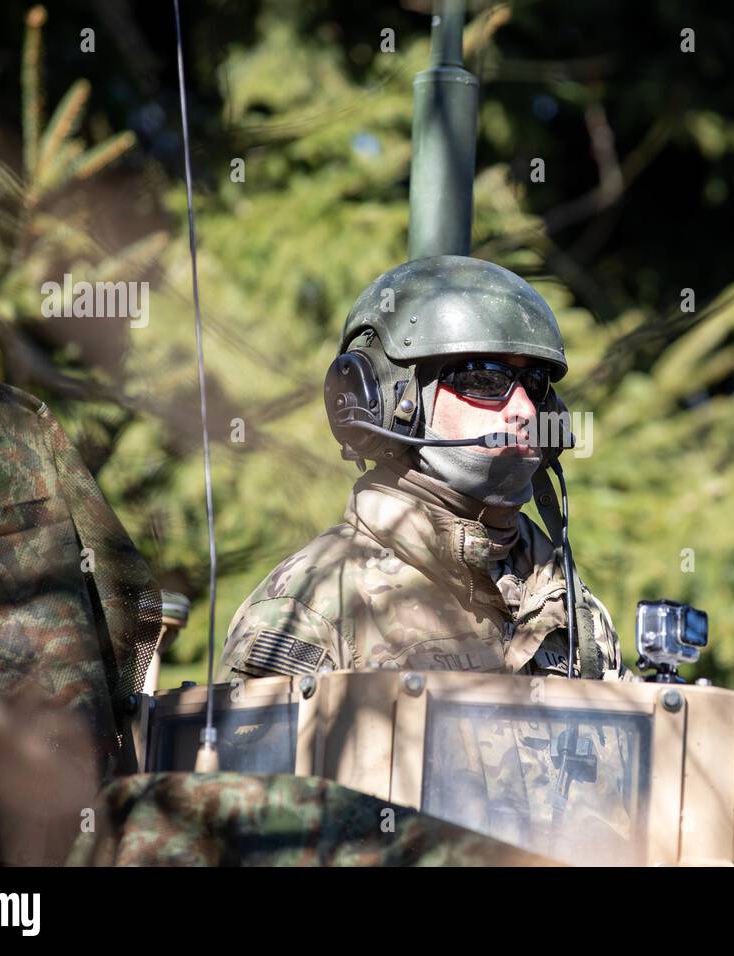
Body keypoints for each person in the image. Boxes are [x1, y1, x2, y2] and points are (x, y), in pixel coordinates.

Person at [221, 255, 624, 681]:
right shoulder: (311, 606)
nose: (524, 409)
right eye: (486, 380)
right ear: (392, 401)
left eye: (535, 385)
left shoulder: (572, 609)